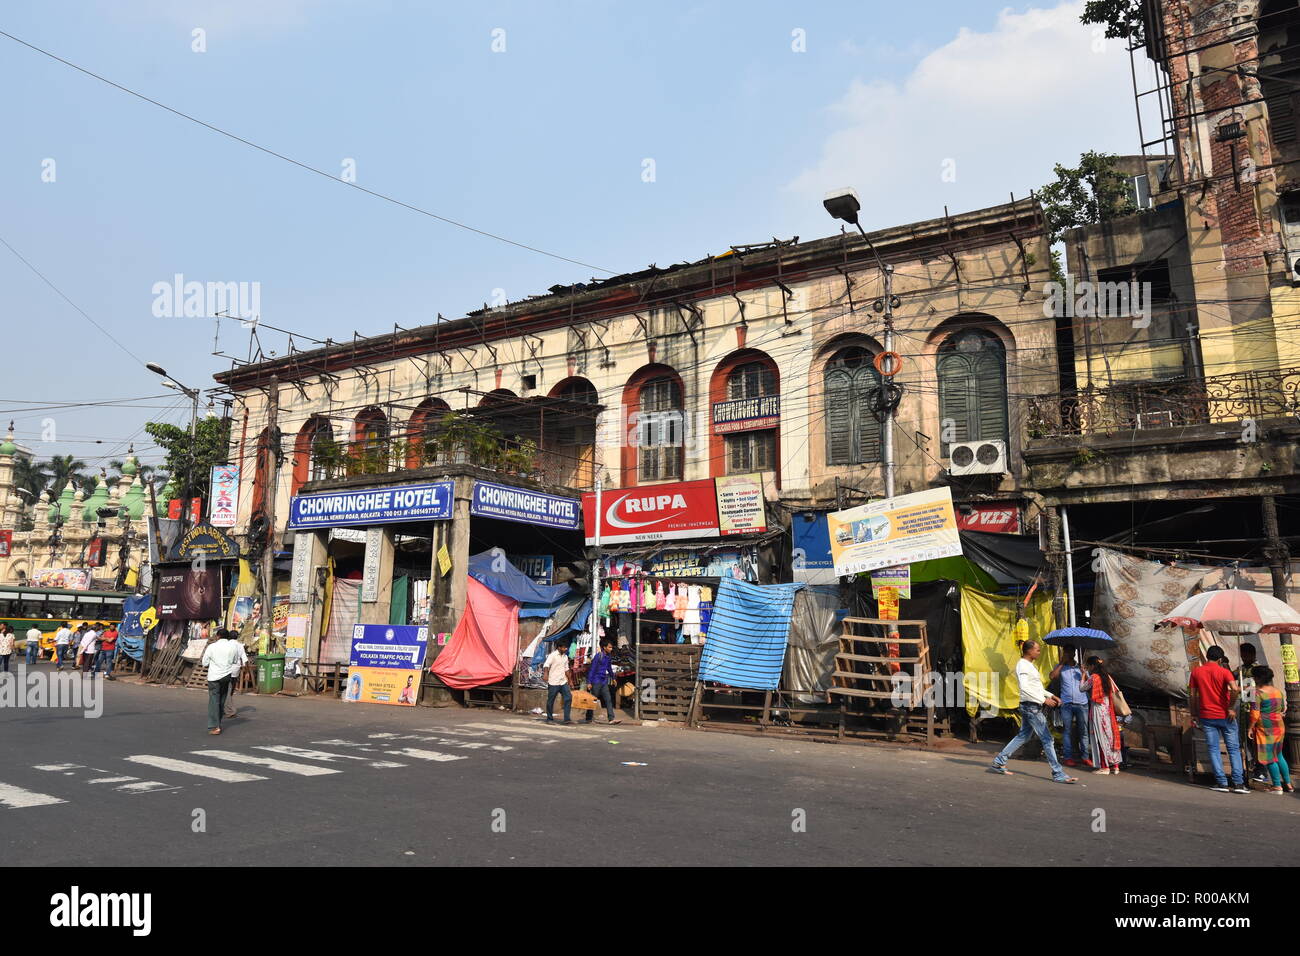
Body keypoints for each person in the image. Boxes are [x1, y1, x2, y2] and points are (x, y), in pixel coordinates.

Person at [988, 638, 1078, 783]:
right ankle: (1058, 773)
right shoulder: (1023, 666)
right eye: (1037, 649)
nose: (1039, 652)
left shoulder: (1029, 665)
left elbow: (1035, 688)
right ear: (1028, 651)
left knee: (1023, 736)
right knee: (1048, 739)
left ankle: (999, 761)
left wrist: (1051, 695)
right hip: (1031, 707)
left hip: (1031, 705)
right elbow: (1025, 688)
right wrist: (1044, 700)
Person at [1189, 645, 1246, 793]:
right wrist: (1231, 707)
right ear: (1220, 659)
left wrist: (1194, 713)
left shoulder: (1196, 672)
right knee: (1233, 749)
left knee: (1213, 749)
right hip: (1225, 716)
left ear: (1207, 657)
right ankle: (1238, 783)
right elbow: (1234, 689)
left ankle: (1222, 783)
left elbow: (1192, 695)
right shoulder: (1224, 672)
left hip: (1207, 715)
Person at [1248, 665, 1293, 794]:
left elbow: (1254, 714)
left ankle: (1277, 786)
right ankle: (1288, 784)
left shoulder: (1257, 693)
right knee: (1279, 755)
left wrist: (1250, 728)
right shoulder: (1277, 691)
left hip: (1265, 728)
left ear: (1257, 678)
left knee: (1269, 757)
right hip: (1279, 726)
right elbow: (1283, 708)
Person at [1050, 648, 1091, 768]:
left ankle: (1085, 757)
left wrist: (1084, 673)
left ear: (1074, 653)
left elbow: (1090, 684)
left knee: (1083, 732)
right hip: (1066, 703)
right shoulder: (1061, 667)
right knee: (1066, 731)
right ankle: (1068, 757)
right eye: (1065, 652)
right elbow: (1052, 676)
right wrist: (1062, 663)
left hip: (1082, 703)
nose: (1067, 654)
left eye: (1069, 652)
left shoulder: (1081, 667)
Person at [1080, 656, 1123, 774]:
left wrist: (1083, 675)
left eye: (1088, 666)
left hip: (1098, 710)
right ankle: (1115, 766)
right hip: (1108, 710)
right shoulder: (1107, 677)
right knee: (1110, 737)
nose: (1088, 668)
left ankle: (1105, 767)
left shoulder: (1094, 677)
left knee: (1100, 738)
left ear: (1093, 666)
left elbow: (1082, 688)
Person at [201, 629, 244, 735]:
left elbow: (204, 663)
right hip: (226, 676)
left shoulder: (212, 647)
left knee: (214, 701)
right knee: (222, 700)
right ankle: (218, 723)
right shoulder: (232, 647)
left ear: (218, 636)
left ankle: (214, 726)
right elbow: (234, 661)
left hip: (214, 677)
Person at [584, 638, 622, 725]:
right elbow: (592, 670)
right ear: (604, 647)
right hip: (596, 681)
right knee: (593, 700)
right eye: (609, 647)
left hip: (604, 681)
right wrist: (589, 682)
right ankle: (588, 717)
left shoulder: (608, 657)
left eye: (611, 647)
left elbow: (609, 668)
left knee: (608, 699)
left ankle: (611, 719)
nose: (611, 649)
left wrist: (613, 678)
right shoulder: (598, 656)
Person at [1236, 643, 1259, 780]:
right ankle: (1249, 766)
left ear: (1252, 654)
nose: (1243, 657)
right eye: (1242, 655)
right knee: (1244, 740)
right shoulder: (1240, 669)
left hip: (1253, 708)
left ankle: (1258, 768)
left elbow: (1251, 691)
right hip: (1243, 709)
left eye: (1245, 655)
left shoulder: (1257, 669)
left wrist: (1242, 689)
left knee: (1254, 740)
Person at [543, 639, 574, 724]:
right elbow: (546, 665)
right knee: (551, 700)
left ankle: (567, 719)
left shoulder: (565, 657)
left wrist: (570, 681)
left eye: (566, 647)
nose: (566, 649)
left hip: (563, 681)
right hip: (553, 681)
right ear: (559, 647)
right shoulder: (552, 655)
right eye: (564, 647)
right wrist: (545, 674)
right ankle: (549, 718)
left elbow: (566, 669)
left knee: (568, 697)